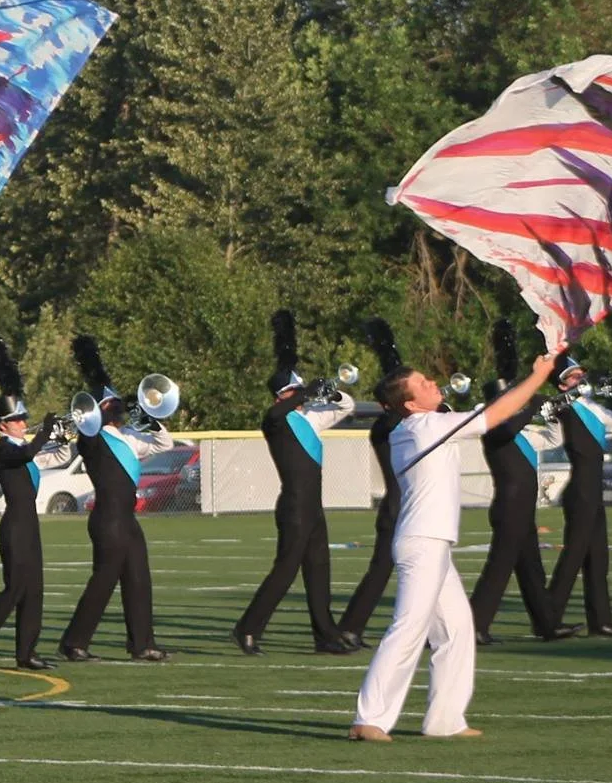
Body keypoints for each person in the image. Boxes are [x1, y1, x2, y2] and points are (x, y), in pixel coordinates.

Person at [350, 350, 556, 742]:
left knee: (458, 629)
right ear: (410, 404)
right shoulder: (422, 426)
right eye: (423, 384)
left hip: (434, 543)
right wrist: (537, 377)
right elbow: (495, 415)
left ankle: (445, 720)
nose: (433, 384)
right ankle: (369, 717)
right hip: (422, 542)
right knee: (409, 628)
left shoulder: (421, 424)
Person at [236, 311, 356, 656]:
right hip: (293, 505)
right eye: (294, 391)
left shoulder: (309, 418)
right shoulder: (276, 420)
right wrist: (302, 393)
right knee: (286, 570)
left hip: (312, 506)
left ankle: (325, 635)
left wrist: (326, 391)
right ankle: (247, 628)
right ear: (283, 395)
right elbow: (277, 412)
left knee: (319, 570)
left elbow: (345, 405)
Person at [58, 336, 176, 662]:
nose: (118, 409)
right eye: (111, 405)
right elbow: (86, 431)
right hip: (108, 519)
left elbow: (164, 444)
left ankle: (141, 643)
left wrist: (149, 419)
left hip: (127, 519)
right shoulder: (93, 440)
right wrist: (95, 409)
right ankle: (74, 642)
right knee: (104, 580)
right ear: (98, 410)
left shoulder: (129, 437)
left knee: (138, 578)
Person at [467, 321, 578, 645]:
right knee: (499, 568)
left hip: (523, 507)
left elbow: (554, 438)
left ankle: (546, 624)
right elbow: (506, 427)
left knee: (531, 570)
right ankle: (475, 625)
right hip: (509, 506)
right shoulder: (493, 428)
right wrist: (529, 404)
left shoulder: (522, 432)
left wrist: (553, 410)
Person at [0, 333, 66, 669]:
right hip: (15, 527)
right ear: (2, 424)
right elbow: (28, 452)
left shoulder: (21, 448)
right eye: (17, 420)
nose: (23, 423)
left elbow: (52, 456)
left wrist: (59, 436)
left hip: (30, 525)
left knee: (35, 589)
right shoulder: (5, 448)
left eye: (24, 419)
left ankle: (26, 652)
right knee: (15, 589)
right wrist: (45, 430)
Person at [543, 356, 612, 637]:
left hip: (594, 487)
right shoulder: (561, 406)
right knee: (573, 556)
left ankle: (601, 622)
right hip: (580, 488)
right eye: (573, 377)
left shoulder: (592, 406)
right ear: (562, 384)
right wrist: (568, 395)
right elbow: (549, 412)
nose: (580, 379)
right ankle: (548, 619)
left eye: (581, 374)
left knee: (598, 558)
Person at [336, 319, 405, 650]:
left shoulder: (402, 421)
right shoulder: (388, 425)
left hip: (409, 503)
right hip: (399, 504)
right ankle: (350, 627)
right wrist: (391, 364)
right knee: (383, 570)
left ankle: (351, 627)